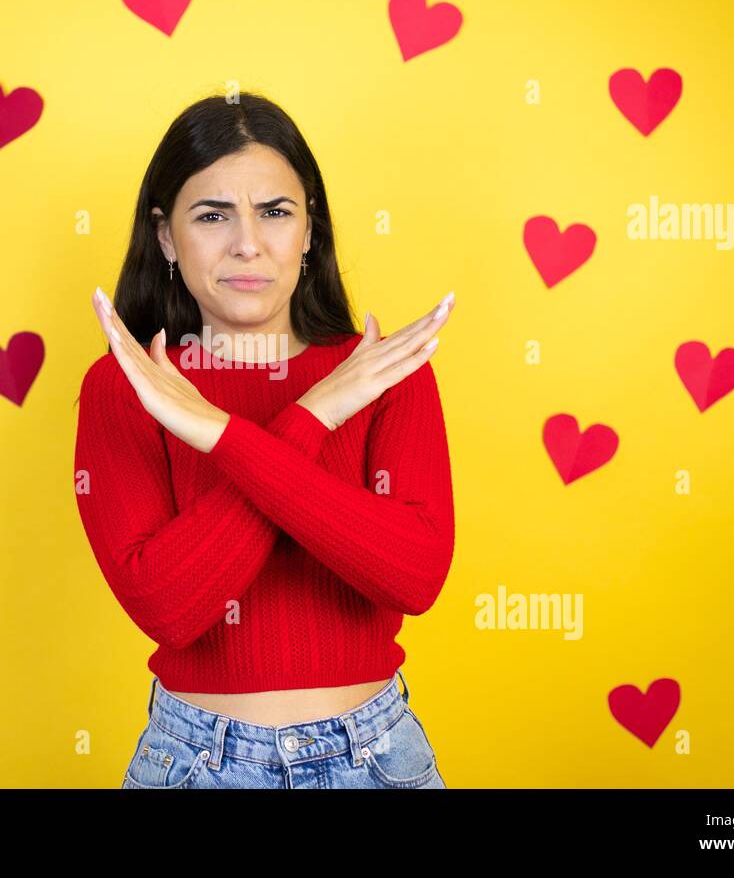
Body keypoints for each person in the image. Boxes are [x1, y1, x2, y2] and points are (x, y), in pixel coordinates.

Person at [73, 91, 456, 788]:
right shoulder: (127, 386)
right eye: (212, 215)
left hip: (377, 757)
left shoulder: (381, 374)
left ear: (310, 230)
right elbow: (171, 609)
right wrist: (312, 417)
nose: (247, 243)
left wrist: (226, 434)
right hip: (198, 760)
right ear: (165, 237)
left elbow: (414, 576)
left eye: (276, 213)